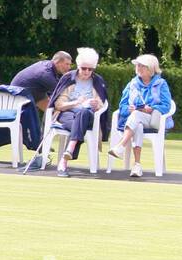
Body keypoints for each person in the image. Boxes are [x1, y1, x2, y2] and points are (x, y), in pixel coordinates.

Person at [47, 48, 110, 177]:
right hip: (66, 114)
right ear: (78, 66)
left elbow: (103, 104)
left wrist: (97, 104)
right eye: (84, 68)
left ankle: (67, 154)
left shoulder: (97, 81)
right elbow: (58, 105)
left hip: (88, 116)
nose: (87, 71)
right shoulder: (68, 78)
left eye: (90, 69)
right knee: (78, 122)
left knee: (83, 113)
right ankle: (65, 159)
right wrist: (75, 103)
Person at [110, 55, 174, 179]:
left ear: (151, 69)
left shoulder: (161, 84)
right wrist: (129, 109)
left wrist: (152, 109)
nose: (138, 68)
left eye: (142, 66)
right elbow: (122, 106)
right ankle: (137, 165)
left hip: (152, 120)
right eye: (137, 65)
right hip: (135, 120)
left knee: (137, 115)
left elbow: (166, 106)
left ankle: (121, 146)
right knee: (137, 123)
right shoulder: (132, 84)